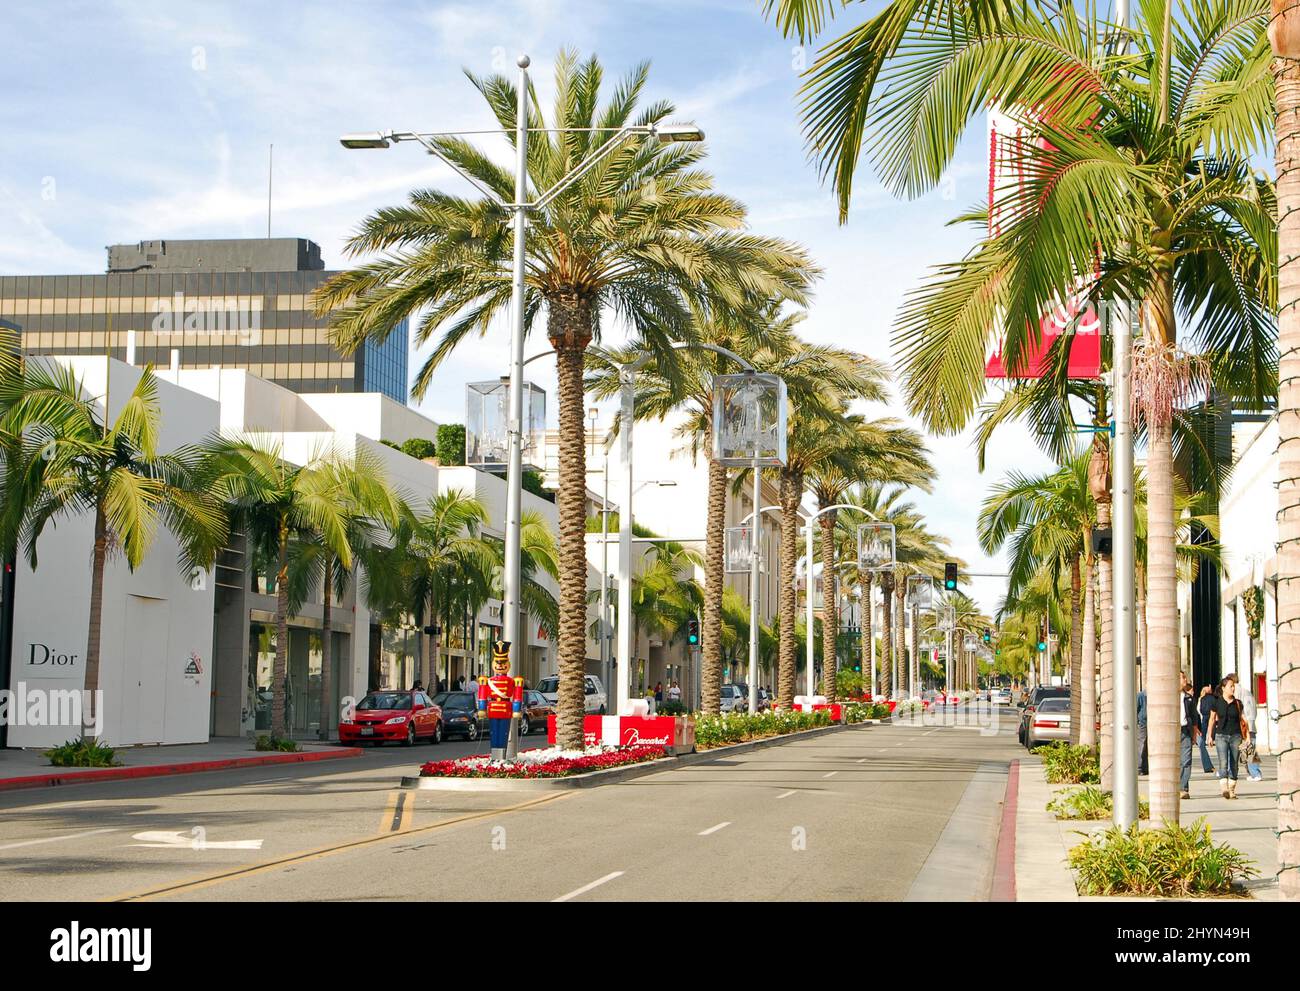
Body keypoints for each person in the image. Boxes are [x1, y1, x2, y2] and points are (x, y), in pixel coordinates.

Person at [1206, 676, 1248, 799]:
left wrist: (1248, 736)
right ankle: (1224, 788)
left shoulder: (1238, 703)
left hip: (1236, 736)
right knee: (1223, 762)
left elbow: (1243, 720)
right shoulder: (1217, 702)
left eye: (1234, 686)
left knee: (1234, 763)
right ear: (1223, 688)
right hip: (1221, 736)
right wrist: (1209, 736)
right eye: (1230, 686)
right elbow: (1212, 719)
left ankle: (1232, 789)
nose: (1233, 688)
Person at [1227, 673, 1264, 781]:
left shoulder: (1236, 692)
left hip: (1242, 726)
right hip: (1251, 725)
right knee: (1251, 750)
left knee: (1236, 750)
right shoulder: (1248, 692)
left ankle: (1255, 773)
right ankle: (1255, 772)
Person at [1178, 672, 1200, 799]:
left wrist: (1194, 733)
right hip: (1172, 732)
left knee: (1186, 761)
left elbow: (1194, 716)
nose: (1185, 679)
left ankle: (1183, 788)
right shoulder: (1168, 696)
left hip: (1185, 731)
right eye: (1183, 677)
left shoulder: (1189, 698)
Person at [1197, 686, 1217, 774]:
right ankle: (1211, 738)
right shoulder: (1214, 698)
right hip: (1211, 715)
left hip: (1204, 717)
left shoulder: (1202, 699)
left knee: (1204, 730)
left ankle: (1206, 738)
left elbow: (1199, 709)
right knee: (1211, 728)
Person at [1135, 689, 1148, 776]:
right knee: (1142, 745)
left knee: (1148, 747)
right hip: (1142, 724)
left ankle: (1146, 767)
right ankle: (1139, 767)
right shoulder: (1141, 696)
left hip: (1152, 724)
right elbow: (1135, 709)